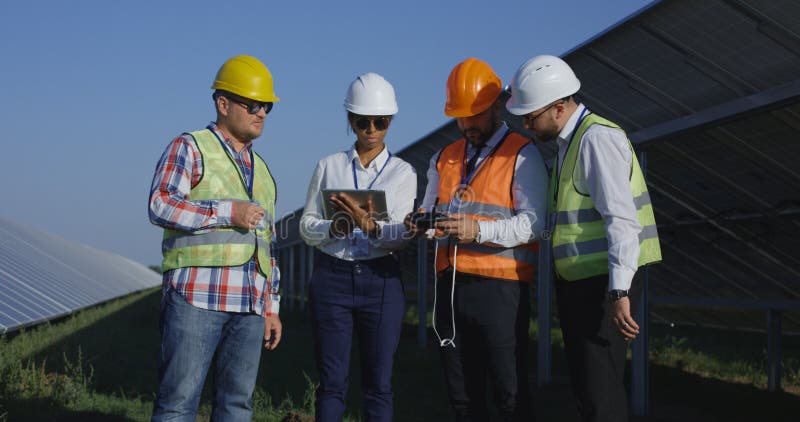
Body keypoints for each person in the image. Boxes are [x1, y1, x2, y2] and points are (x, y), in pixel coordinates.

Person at [506, 54, 662, 422]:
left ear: (559, 108)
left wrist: (618, 292)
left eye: (531, 116)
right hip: (583, 284)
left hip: (603, 286)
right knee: (588, 390)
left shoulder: (596, 140)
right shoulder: (570, 143)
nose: (526, 125)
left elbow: (621, 221)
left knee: (599, 393)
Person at [407, 58, 548, 421]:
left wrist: (479, 231)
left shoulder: (522, 153)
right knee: (462, 398)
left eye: (476, 115)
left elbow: (533, 224)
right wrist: (421, 223)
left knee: (509, 394)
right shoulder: (443, 158)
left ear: (497, 106)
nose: (467, 124)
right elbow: (429, 212)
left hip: (500, 292)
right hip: (451, 288)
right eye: (460, 117)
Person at [148, 55, 283, 421]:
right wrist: (226, 211)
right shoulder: (190, 147)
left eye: (266, 106)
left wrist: (271, 307)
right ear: (223, 104)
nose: (262, 113)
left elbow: (268, 245)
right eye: (252, 104)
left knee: (237, 406)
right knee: (178, 404)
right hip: (196, 297)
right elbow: (161, 204)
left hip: (249, 306)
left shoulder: (263, 171)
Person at [299, 72, 417, 422]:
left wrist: (369, 226)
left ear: (390, 120)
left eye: (380, 122)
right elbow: (306, 226)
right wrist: (335, 226)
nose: (371, 130)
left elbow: (403, 234)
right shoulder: (328, 166)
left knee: (379, 384)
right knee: (331, 383)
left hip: (381, 280)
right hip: (332, 277)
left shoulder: (403, 173)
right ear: (350, 120)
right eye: (363, 122)